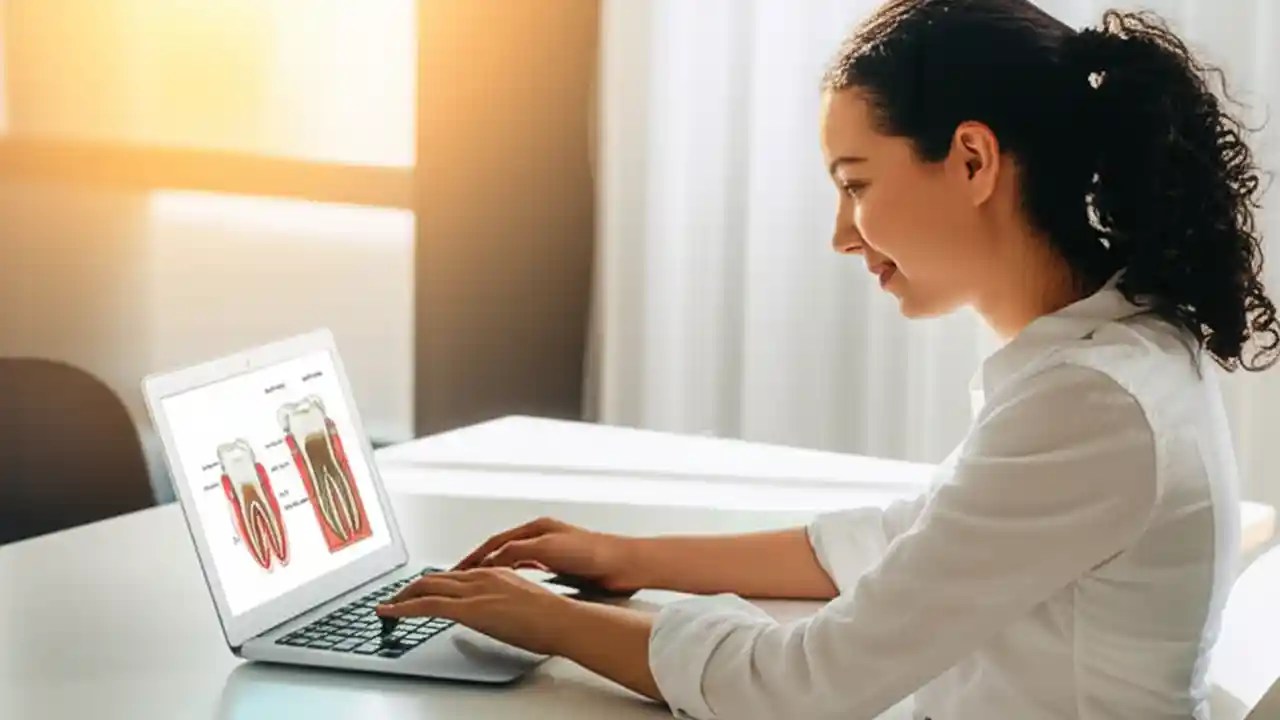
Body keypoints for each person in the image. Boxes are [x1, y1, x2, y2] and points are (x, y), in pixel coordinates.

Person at [375, 1, 1279, 717]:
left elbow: (802, 689)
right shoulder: (1118, 353)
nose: (842, 235)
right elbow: (906, 543)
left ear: (972, 160)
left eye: (856, 184)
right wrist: (628, 556)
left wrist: (548, 622)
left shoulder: (1092, 403)